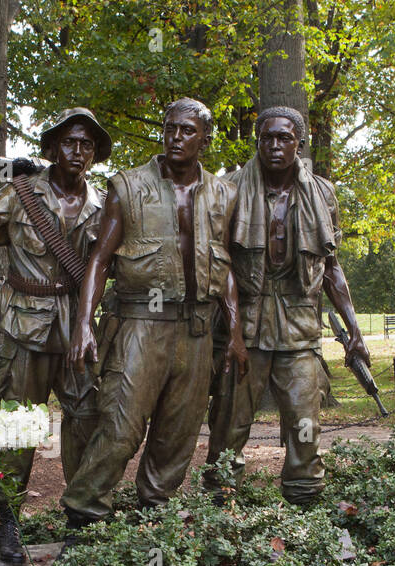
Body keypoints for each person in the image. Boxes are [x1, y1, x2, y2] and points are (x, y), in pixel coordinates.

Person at [61, 98, 244, 528]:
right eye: (170, 128)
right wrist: (84, 325)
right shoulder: (128, 186)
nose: (176, 137)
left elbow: (225, 266)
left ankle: (154, 516)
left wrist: (235, 332)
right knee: (120, 425)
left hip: (197, 328)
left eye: (187, 131)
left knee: (178, 432)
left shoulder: (224, 193)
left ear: (205, 139)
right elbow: (100, 260)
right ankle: (83, 515)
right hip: (141, 323)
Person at [0, 108, 111, 563]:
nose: (77, 151)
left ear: (95, 153)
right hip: (24, 328)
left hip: (78, 329)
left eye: (87, 144)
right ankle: (10, 524)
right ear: (52, 148)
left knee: (87, 420)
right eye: (69, 142)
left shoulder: (103, 205)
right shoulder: (19, 194)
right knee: (15, 427)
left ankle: (80, 521)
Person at [205, 106, 370, 505]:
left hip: (299, 321)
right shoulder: (229, 189)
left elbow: (330, 266)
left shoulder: (322, 193)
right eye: (267, 138)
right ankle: (220, 505)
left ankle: (305, 502)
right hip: (245, 318)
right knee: (230, 421)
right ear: (257, 142)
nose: (275, 146)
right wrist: (233, 333)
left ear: (299, 143)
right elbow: (219, 263)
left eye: (284, 138)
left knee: (304, 422)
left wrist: (354, 329)